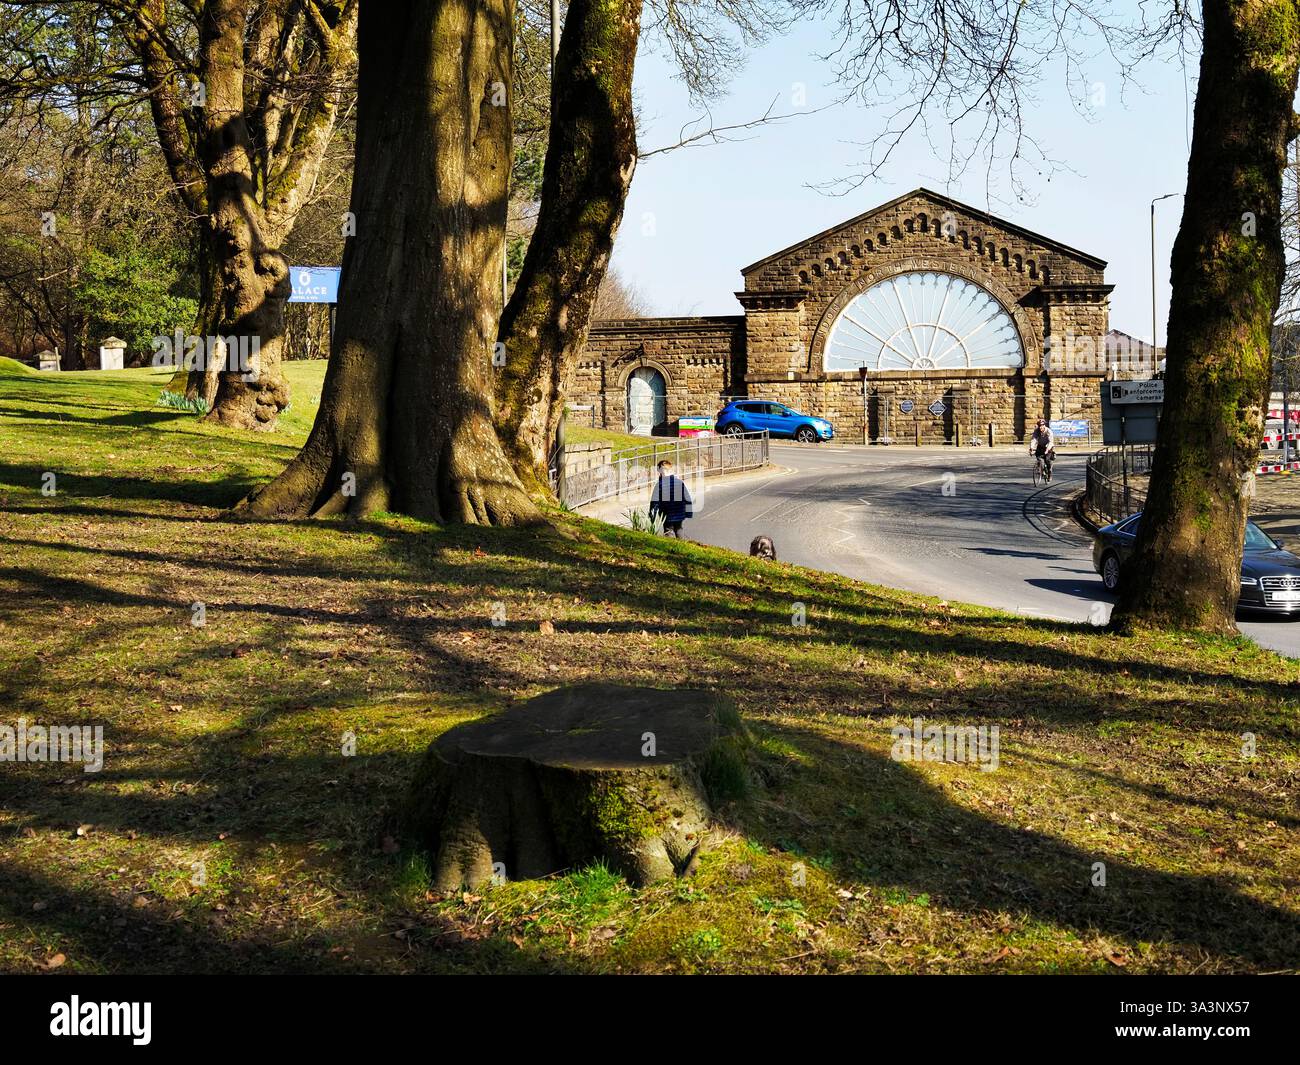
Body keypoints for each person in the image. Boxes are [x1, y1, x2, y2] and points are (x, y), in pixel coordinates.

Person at [649, 459, 693, 537]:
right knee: (679, 528)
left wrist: (652, 515)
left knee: (668, 530)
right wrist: (688, 513)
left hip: (667, 513)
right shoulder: (679, 482)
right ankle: (681, 545)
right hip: (679, 512)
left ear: (660, 471)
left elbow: (654, 502)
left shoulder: (659, 485)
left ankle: (670, 546)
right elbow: (687, 498)